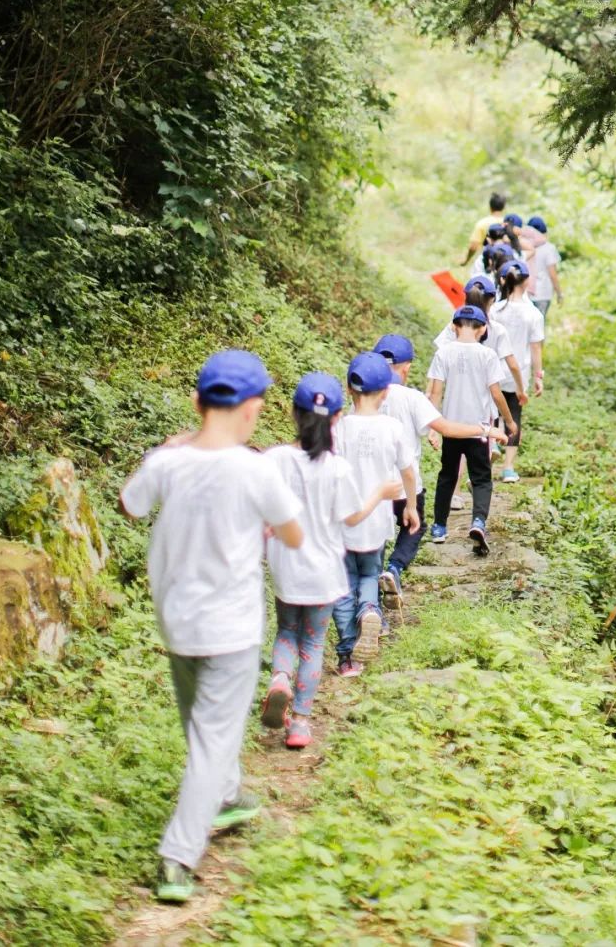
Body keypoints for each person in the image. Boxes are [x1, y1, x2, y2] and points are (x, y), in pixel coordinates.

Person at [119, 349, 305, 906]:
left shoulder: (167, 463)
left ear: (197, 402)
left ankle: (224, 795)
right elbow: (293, 535)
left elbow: (131, 506)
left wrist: (167, 449)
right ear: (254, 410)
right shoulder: (255, 469)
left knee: (201, 728)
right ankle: (177, 856)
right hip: (231, 629)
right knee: (212, 737)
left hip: (176, 622)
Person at [261, 372, 403, 748]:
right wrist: (380, 493)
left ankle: (279, 677)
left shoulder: (276, 459)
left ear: (294, 413)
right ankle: (301, 724)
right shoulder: (337, 469)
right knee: (313, 643)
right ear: (337, 419)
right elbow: (353, 517)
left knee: (287, 632)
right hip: (323, 572)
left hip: (285, 566)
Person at [372, 333, 508, 600]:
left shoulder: (364, 395)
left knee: (375, 534)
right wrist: (486, 429)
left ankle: (372, 584)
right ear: (407, 367)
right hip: (404, 487)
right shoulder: (411, 398)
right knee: (414, 526)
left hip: (371, 487)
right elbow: (447, 428)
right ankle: (395, 567)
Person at [333, 352, 418, 675]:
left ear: (349, 389)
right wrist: (410, 505)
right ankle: (370, 609)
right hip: (376, 522)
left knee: (344, 585)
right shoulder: (393, 428)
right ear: (386, 392)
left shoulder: (339, 428)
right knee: (370, 574)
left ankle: (346, 658)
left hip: (342, 523)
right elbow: (408, 472)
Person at [427, 305, 515, 555]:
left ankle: (439, 527)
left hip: (451, 428)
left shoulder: (444, 353)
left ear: (455, 327)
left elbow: (435, 393)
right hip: (479, 430)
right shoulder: (487, 355)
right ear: (482, 329)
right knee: (481, 478)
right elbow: (497, 394)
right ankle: (478, 521)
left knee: (447, 475)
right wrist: (509, 421)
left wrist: (432, 426)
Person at [494, 259, 545, 483]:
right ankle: (508, 468)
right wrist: (538, 376)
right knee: (514, 416)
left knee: (492, 412)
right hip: (518, 374)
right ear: (525, 282)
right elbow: (535, 347)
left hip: (493, 370)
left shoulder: (494, 310)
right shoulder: (533, 314)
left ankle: (490, 445)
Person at [528, 214, 562, 316]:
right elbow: (552, 273)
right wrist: (559, 292)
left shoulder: (524, 247)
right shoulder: (549, 248)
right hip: (543, 293)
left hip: (526, 293)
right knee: (539, 326)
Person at [462, 190, 507, 265]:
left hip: (486, 262)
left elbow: (473, 246)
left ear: (490, 206)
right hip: (505, 262)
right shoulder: (507, 223)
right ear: (503, 207)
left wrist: (466, 260)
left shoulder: (482, 223)